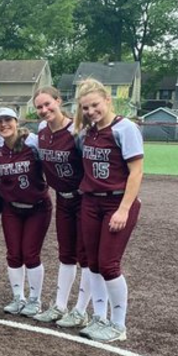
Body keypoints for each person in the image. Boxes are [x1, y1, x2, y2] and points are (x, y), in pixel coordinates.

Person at [73, 78, 145, 342]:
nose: (91, 111)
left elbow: (136, 172)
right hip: (91, 201)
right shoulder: (88, 132)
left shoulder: (124, 129)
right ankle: (99, 316)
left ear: (107, 100)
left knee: (109, 263)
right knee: (92, 263)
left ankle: (118, 325)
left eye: (95, 105)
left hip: (116, 202)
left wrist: (124, 209)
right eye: (86, 108)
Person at [28, 86, 92, 328]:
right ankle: (60, 305)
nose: (44, 110)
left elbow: (91, 164)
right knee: (66, 254)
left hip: (83, 198)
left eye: (48, 104)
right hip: (63, 199)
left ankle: (81, 310)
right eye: (39, 107)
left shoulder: (77, 132)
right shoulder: (43, 131)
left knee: (85, 257)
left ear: (59, 100)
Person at [0, 107, 51, 316]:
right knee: (14, 254)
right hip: (11, 208)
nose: (3, 124)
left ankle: (35, 299)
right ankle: (19, 297)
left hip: (37, 207)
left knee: (30, 253)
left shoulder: (32, 143)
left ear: (17, 121)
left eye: (8, 119)